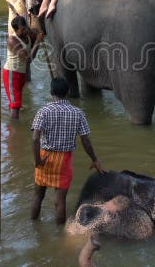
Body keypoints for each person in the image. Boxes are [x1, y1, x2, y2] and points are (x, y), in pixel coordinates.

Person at [31, 77, 105, 224]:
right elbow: (86, 141)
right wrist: (94, 159)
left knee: (38, 196)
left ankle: (33, 226)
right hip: (64, 160)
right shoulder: (78, 113)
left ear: (51, 92)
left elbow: (35, 139)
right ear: (69, 92)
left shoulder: (43, 111)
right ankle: (60, 235)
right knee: (60, 200)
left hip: (45, 158)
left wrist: (38, 161)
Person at [3, 15, 43, 119]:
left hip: (21, 74)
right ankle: (15, 130)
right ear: (15, 29)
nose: (25, 31)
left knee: (16, 102)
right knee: (16, 104)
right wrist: (38, 42)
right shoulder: (12, 40)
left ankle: (14, 121)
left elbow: (32, 57)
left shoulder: (27, 37)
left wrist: (38, 40)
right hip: (11, 73)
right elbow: (28, 59)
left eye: (26, 28)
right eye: (22, 29)